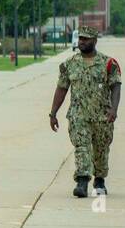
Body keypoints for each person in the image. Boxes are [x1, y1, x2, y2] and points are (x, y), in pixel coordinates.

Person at [50, 25, 121, 197]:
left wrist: (113, 109)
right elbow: (61, 88)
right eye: (80, 38)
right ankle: (82, 182)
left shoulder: (108, 63)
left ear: (94, 41)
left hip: (102, 116)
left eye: (86, 39)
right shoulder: (69, 64)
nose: (81, 42)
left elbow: (116, 86)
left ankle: (99, 180)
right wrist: (53, 113)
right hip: (78, 115)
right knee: (81, 147)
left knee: (101, 149)